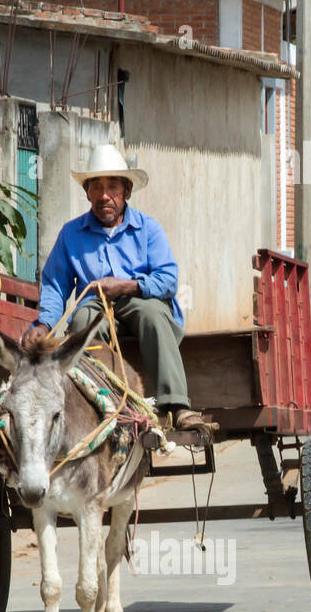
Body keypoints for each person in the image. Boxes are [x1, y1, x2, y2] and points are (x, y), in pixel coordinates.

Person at [20, 143, 206, 429]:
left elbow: (167, 280)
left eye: (113, 187)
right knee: (82, 320)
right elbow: (56, 285)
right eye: (97, 187)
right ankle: (105, 405)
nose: (105, 195)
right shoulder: (71, 234)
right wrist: (44, 324)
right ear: (87, 193)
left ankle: (176, 405)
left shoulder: (148, 229)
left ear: (127, 191)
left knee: (154, 316)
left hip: (140, 299)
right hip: (97, 305)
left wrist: (127, 286)